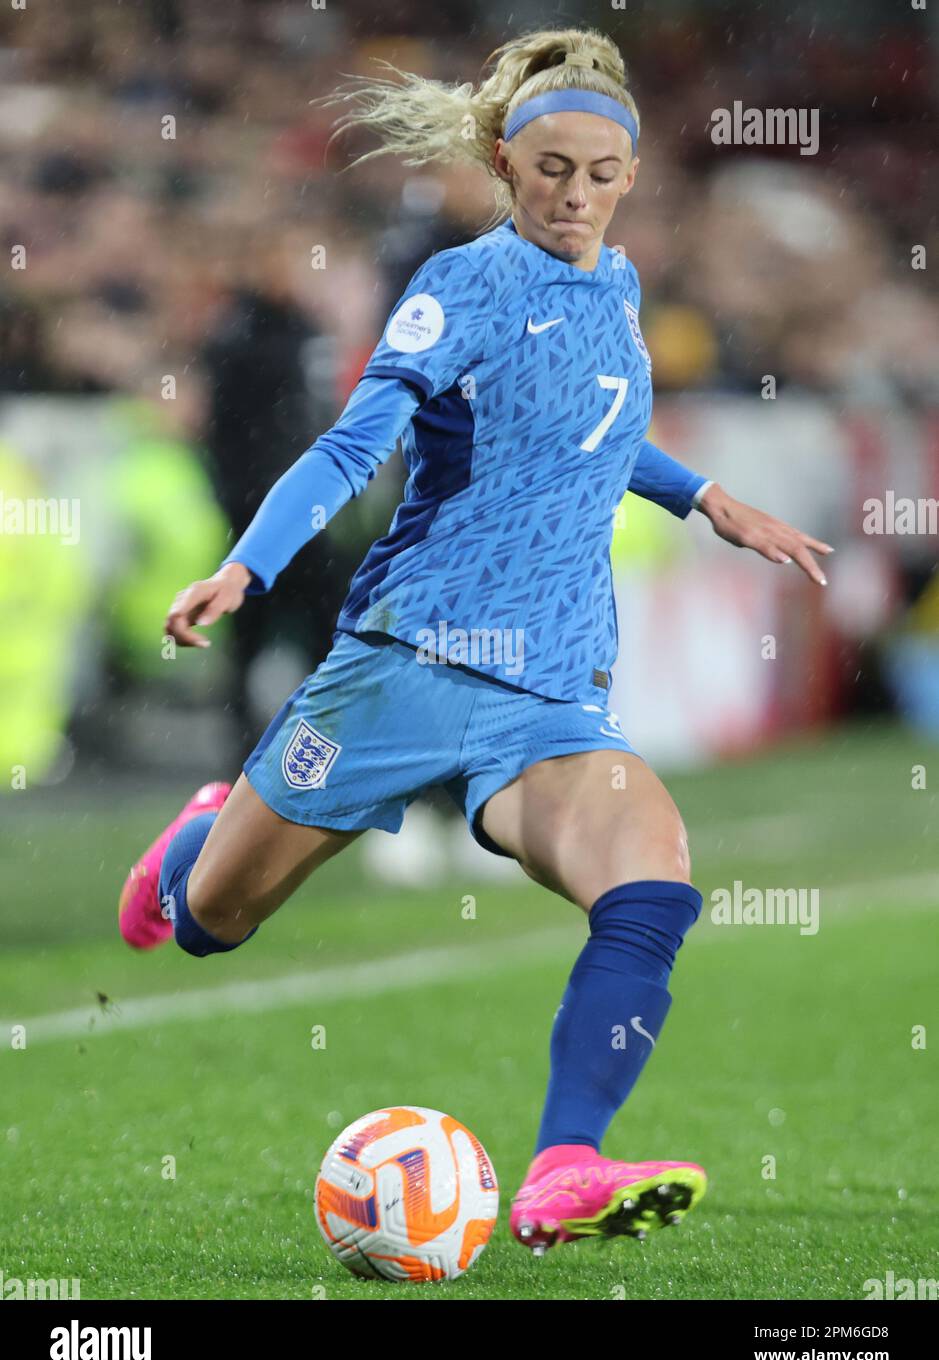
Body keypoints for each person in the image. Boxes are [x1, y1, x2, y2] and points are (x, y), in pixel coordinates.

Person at [118, 27, 832, 1257]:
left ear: (630, 177)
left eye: (601, 173)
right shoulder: (461, 284)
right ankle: (195, 844)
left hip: (551, 689)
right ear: (506, 163)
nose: (576, 194)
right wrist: (246, 564)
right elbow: (353, 446)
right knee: (213, 922)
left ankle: (564, 1165)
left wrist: (701, 494)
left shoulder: (619, 286)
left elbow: (589, 429)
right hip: (406, 664)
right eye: (551, 168)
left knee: (652, 882)